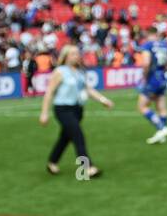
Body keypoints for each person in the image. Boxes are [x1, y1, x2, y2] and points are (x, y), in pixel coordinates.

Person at [39, 44, 113, 178]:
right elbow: (49, 92)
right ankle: (87, 167)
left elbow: (88, 89)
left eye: (77, 53)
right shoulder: (60, 71)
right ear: (65, 56)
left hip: (77, 109)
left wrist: (103, 100)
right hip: (63, 109)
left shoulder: (79, 72)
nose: (76, 56)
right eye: (73, 54)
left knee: (65, 138)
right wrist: (44, 113)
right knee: (78, 135)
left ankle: (52, 162)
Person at [137, 25, 167, 144]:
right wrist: (165, 71)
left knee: (142, 106)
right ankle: (161, 135)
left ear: (147, 33)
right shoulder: (164, 45)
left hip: (153, 78)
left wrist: (144, 77)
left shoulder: (147, 45)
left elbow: (146, 62)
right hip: (163, 77)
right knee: (162, 108)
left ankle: (161, 128)